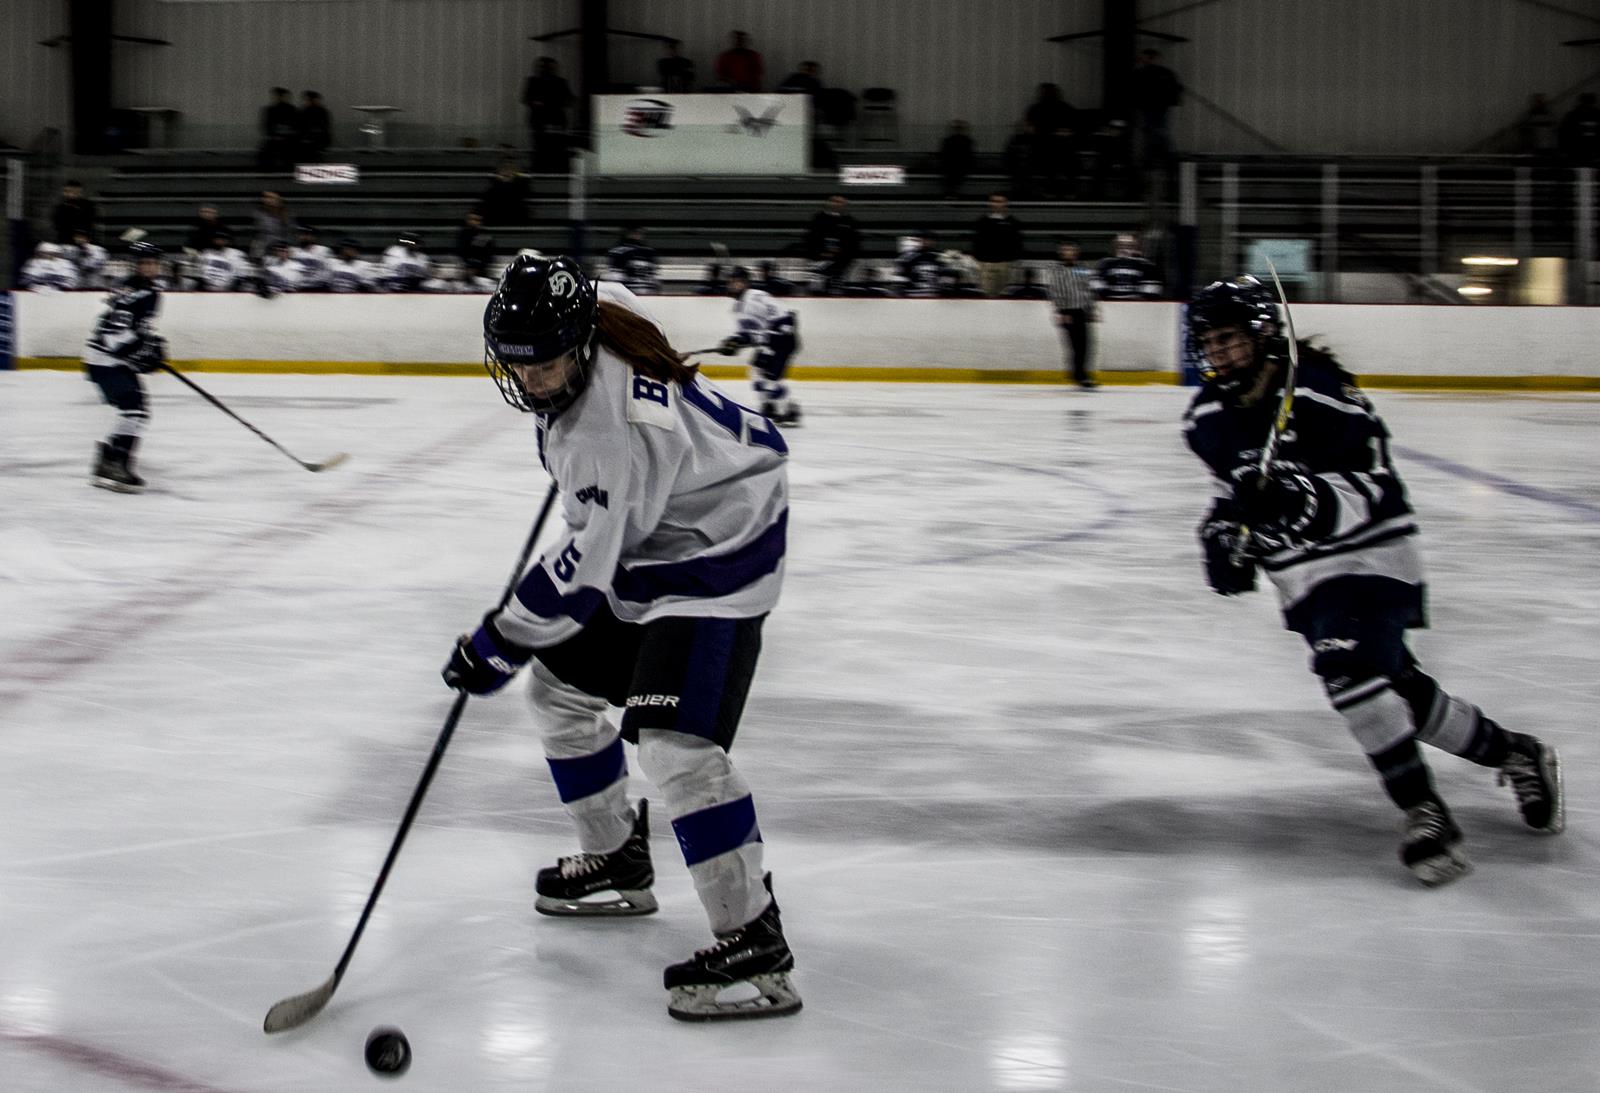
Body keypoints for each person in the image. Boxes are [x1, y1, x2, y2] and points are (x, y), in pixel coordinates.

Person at [443, 255, 801, 1022]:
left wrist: (496, 643)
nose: (531, 378)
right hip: (663, 529)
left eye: (546, 363)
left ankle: (755, 940)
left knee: (676, 747)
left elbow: (580, 576)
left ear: (575, 342)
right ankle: (617, 856)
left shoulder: (602, 436)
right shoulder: (597, 308)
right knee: (559, 693)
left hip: (718, 550)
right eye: (518, 361)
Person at [1181, 277, 1564, 887]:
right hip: (1304, 570)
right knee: (1395, 688)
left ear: (1261, 333)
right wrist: (1223, 537)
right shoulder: (1206, 416)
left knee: (1348, 675)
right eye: (1210, 341)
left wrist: (1313, 500)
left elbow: (1378, 482)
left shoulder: (1322, 392)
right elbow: (1231, 493)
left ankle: (1423, 810)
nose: (1220, 352)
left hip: (1374, 552)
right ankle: (1515, 752)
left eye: (1229, 338)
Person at [83, 242, 168, 493]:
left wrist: (147, 346)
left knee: (136, 411)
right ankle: (116, 463)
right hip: (105, 361)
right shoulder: (137, 292)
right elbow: (113, 335)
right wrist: (141, 353)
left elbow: (136, 329)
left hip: (110, 360)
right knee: (134, 411)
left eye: (153, 262)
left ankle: (108, 460)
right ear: (136, 265)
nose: (150, 267)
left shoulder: (146, 290)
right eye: (144, 263)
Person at [716, 266, 802, 427]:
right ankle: (769, 407)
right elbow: (751, 335)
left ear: (745, 283)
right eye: (731, 282)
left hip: (782, 339)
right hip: (769, 342)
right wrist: (734, 341)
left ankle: (789, 411)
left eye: (737, 282)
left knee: (771, 379)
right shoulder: (738, 308)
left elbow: (785, 317)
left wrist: (773, 338)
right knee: (756, 373)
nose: (733, 285)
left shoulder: (754, 296)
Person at [1045, 238, 1098, 388]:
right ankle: (1080, 375)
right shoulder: (1057, 270)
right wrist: (1061, 311)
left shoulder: (1083, 269)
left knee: (1085, 344)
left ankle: (1080, 374)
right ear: (1061, 252)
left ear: (1076, 252)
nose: (1069, 252)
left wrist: (1092, 309)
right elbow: (1055, 291)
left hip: (1082, 311)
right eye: (1066, 250)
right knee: (1075, 344)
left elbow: (1089, 290)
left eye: (1071, 250)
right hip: (1067, 312)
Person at [1129, 49, 1182, 172]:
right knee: (1159, 131)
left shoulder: (1141, 73)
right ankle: (1166, 159)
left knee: (1154, 132)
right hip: (1157, 107)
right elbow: (1176, 90)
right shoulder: (1166, 73)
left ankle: (1151, 159)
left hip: (1150, 107)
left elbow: (1133, 90)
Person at [521, 57, 574, 173]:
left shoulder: (560, 82)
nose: (545, 69)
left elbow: (570, 100)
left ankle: (557, 169)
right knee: (540, 145)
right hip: (540, 119)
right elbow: (526, 99)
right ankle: (540, 169)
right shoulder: (533, 81)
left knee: (557, 145)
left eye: (548, 66)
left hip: (555, 119)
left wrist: (545, 102)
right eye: (543, 66)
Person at [800, 194, 860, 294]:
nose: (837, 204)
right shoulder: (819, 219)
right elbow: (810, 239)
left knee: (836, 291)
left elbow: (853, 244)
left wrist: (842, 259)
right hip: (818, 262)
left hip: (840, 264)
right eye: (834, 201)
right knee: (815, 290)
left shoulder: (849, 221)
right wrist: (818, 255)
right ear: (828, 203)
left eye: (840, 202)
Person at [971, 192, 1024, 297]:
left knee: (1005, 296)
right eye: (994, 201)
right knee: (986, 295)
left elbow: (1017, 243)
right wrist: (979, 260)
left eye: (999, 201)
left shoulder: (1013, 222)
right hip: (986, 264)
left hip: (1006, 264)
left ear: (1006, 203)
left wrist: (1012, 261)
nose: (996, 204)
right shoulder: (982, 221)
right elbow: (976, 242)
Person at [1094, 232, 1163, 299]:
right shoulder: (1105, 263)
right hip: (1109, 305)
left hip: (1138, 306)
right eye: (1120, 245)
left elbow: (1152, 289)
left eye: (1129, 245)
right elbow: (1096, 285)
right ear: (1115, 246)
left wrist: (1139, 301)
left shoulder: (1146, 264)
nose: (1124, 249)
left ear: (1135, 247)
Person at [606, 225, 660, 295]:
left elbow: (654, 277)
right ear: (627, 234)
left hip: (643, 293)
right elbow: (615, 277)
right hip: (630, 294)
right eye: (635, 232)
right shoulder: (619, 251)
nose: (637, 235)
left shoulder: (648, 252)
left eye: (638, 233)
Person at [480, 158, 531, 226]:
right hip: (494, 222)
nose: (508, 171)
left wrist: (511, 180)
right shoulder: (491, 189)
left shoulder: (522, 186)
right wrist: (502, 180)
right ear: (498, 171)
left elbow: (521, 194)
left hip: (518, 222)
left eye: (512, 168)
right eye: (505, 168)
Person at [259, 87, 299, 170]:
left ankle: (269, 170)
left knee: (267, 151)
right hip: (287, 138)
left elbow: (267, 125)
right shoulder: (292, 109)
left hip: (279, 138)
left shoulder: (271, 109)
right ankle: (287, 169)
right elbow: (296, 125)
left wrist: (274, 135)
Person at [937, 120, 975, 200]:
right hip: (960, 170)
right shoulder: (967, 141)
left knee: (951, 183)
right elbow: (970, 157)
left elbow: (942, 156)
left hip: (950, 170)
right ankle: (954, 195)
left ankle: (950, 195)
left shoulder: (948, 141)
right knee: (956, 183)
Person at [454, 209, 497, 280]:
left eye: (477, 220)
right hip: (464, 271)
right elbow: (460, 252)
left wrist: (477, 267)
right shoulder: (462, 235)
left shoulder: (486, 235)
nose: (473, 222)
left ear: (481, 221)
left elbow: (488, 256)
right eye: (471, 219)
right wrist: (467, 267)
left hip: (482, 272)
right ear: (467, 220)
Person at [289, 223, 332, 289]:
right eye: (301, 234)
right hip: (298, 287)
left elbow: (328, 271)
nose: (303, 237)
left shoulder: (323, 250)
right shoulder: (292, 251)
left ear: (313, 237)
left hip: (317, 287)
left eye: (307, 234)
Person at [297, 90, 332, 159]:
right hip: (314, 138)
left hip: (315, 138)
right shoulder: (322, 111)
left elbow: (325, 126)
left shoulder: (304, 111)